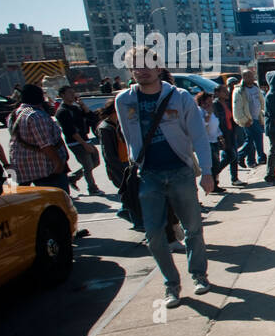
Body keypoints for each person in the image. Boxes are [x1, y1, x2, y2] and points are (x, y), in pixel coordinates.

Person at [114, 46, 214, 307]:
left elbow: (199, 137)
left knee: (192, 227)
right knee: (154, 235)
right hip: (148, 174)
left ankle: (199, 275)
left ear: (159, 67)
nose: (141, 70)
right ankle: (171, 285)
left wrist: (207, 171)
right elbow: (128, 137)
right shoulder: (124, 101)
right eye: (134, 65)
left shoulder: (179, 97)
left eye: (146, 64)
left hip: (180, 171)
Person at [9, 84, 70, 193]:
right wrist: (58, 163)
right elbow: (46, 144)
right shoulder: (36, 116)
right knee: (58, 200)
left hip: (26, 168)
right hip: (46, 168)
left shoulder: (14, 114)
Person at [94, 100, 141, 228]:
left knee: (132, 193)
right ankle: (137, 222)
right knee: (132, 195)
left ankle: (124, 212)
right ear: (116, 111)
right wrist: (121, 170)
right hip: (120, 167)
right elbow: (108, 154)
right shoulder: (105, 128)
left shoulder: (119, 124)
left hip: (128, 163)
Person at [55, 85, 102, 195]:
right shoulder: (62, 111)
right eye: (69, 93)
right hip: (76, 142)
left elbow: (92, 117)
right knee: (88, 165)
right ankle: (92, 188)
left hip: (85, 139)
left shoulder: (75, 108)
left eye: (73, 92)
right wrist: (84, 144)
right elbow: (71, 131)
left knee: (95, 161)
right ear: (62, 95)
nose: (73, 95)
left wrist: (82, 105)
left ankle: (73, 177)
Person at [211, 82, 244, 189]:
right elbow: (216, 121)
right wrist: (221, 136)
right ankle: (213, 175)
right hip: (223, 134)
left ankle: (235, 178)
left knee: (234, 156)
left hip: (231, 132)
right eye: (224, 91)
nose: (227, 93)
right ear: (217, 93)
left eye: (226, 91)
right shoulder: (215, 105)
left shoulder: (227, 103)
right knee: (231, 155)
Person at [232, 68, 266, 168]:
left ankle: (242, 157)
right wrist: (243, 120)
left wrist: (263, 113)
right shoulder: (239, 90)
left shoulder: (256, 88)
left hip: (257, 117)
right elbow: (237, 108)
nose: (251, 78)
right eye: (248, 76)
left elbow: (261, 101)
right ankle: (261, 157)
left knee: (250, 140)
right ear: (244, 77)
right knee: (258, 137)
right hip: (248, 119)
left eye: (252, 75)